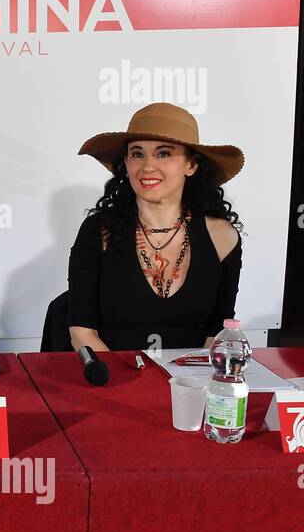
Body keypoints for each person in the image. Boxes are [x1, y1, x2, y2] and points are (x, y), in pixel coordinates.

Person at [69, 102, 245, 351]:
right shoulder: (99, 231)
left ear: (191, 165)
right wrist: (125, 386)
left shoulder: (223, 237)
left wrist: (191, 383)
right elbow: (81, 333)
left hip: (188, 382)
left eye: (163, 153)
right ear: (126, 163)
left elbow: (217, 332)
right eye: (137, 154)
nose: (147, 166)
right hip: (114, 380)